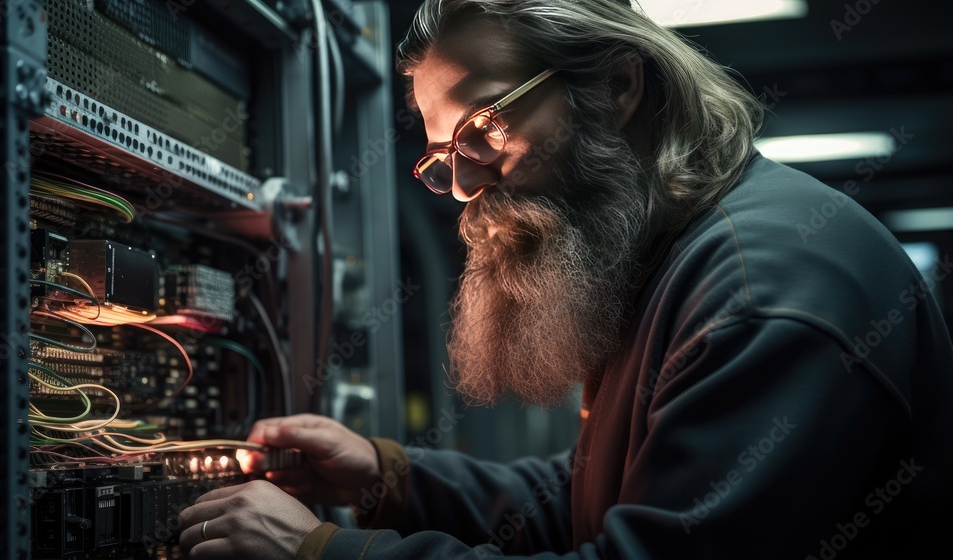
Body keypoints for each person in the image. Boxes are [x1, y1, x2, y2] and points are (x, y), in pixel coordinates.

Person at [178, 1, 953, 558]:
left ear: (618, 87)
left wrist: (321, 551)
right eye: (445, 158)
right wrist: (391, 477)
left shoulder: (766, 298)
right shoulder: (671, 252)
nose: (469, 184)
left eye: (483, 127)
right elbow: (602, 501)